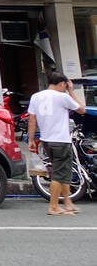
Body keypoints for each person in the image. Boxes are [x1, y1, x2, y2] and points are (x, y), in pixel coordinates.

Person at [27, 71, 87, 216]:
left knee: (63, 173)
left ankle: (68, 203)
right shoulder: (63, 97)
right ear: (61, 84)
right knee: (59, 176)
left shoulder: (36, 97)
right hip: (61, 140)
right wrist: (71, 91)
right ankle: (53, 206)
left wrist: (30, 139)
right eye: (65, 86)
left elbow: (32, 120)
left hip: (46, 140)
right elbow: (82, 110)